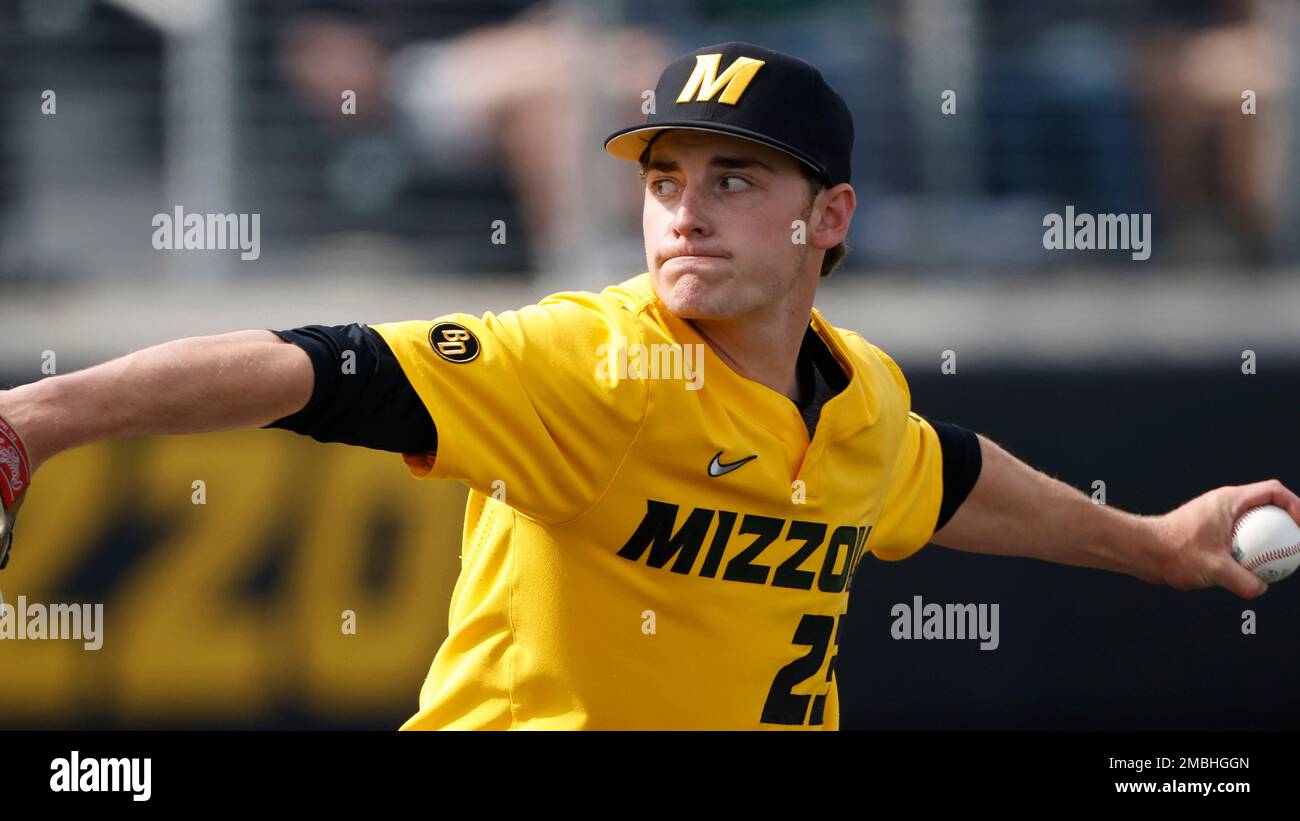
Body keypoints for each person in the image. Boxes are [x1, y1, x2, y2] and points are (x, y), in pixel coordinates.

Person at [1, 42, 1295, 730]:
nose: (685, 212)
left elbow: (941, 475)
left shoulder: (859, 399)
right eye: (664, 179)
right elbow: (308, 365)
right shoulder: (588, 367)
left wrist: (1151, 543)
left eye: (734, 181)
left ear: (826, 216)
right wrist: (34, 419)